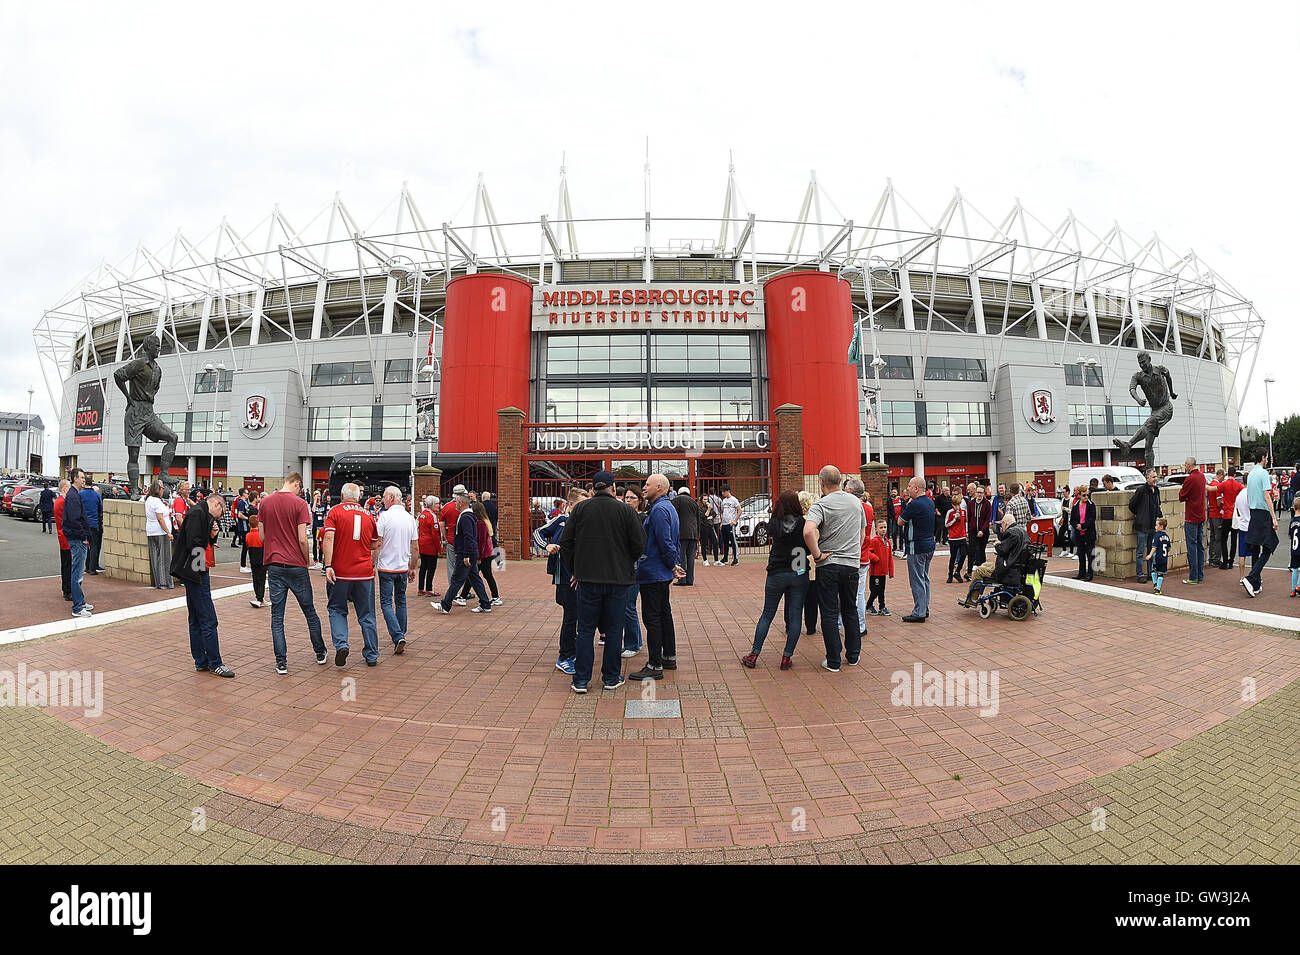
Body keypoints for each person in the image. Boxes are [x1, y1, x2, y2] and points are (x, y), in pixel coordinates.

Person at [558, 470, 645, 693]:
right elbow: (639, 544)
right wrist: (625, 563)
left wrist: (576, 569)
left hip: (587, 579)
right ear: (613, 488)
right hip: (618, 580)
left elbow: (566, 543)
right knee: (615, 630)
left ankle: (580, 680)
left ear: (593, 489)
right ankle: (610, 677)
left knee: (585, 630)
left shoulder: (580, 510)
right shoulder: (625, 511)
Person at [259, 471, 328, 674]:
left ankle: (281, 662)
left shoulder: (266, 502)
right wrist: (306, 560)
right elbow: (302, 538)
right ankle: (320, 651)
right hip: (296, 565)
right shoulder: (299, 504)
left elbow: (262, 536)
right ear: (297, 484)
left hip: (274, 564)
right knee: (309, 611)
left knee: (277, 616)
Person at [803, 465, 867, 672]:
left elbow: (808, 531)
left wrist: (817, 555)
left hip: (828, 565)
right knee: (850, 609)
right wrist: (853, 552)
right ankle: (854, 654)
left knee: (829, 613)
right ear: (840, 481)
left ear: (821, 482)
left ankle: (833, 660)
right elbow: (863, 533)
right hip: (851, 564)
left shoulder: (820, 505)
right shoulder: (856, 503)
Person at [742, 490, 811, 669]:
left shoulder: (774, 523)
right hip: (798, 567)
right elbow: (808, 548)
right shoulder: (804, 523)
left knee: (767, 614)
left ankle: (754, 654)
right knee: (796, 617)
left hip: (777, 570)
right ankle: (786, 657)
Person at [170, 489, 233, 676]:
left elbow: (197, 542)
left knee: (197, 618)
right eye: (221, 512)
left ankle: (201, 660)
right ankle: (214, 662)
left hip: (192, 573)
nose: (220, 517)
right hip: (195, 573)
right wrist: (199, 573)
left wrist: (211, 536)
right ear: (217, 505)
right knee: (208, 618)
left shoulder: (199, 512)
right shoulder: (199, 513)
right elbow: (195, 544)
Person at [629, 474, 684, 681]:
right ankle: (668, 656)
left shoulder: (659, 510)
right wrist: (672, 565)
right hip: (659, 571)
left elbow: (665, 541)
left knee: (652, 617)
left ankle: (654, 664)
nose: (644, 488)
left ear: (659, 487)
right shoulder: (667, 507)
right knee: (663, 614)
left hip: (654, 571)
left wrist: (672, 565)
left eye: (647, 485)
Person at [321, 483, 382, 667]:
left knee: (337, 609)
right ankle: (371, 654)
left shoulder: (335, 512)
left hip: (341, 571)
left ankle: (342, 644)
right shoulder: (368, 514)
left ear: (341, 495)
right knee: (367, 614)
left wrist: (328, 565)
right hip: (364, 573)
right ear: (358, 497)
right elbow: (374, 543)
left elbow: (329, 537)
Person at [540, 488, 585, 676]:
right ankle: (565, 656)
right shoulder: (561, 521)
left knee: (579, 616)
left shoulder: (586, 522)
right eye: (583, 503)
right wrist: (547, 545)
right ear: (572, 504)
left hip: (582, 577)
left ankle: (574, 651)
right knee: (571, 616)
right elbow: (539, 533)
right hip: (565, 579)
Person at [375, 486, 420, 655]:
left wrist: (372, 563)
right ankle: (401, 633)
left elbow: (378, 543)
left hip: (386, 567)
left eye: (385, 497)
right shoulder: (410, 518)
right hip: (402, 567)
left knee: (386, 603)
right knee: (401, 601)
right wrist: (412, 567)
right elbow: (415, 547)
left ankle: (397, 635)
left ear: (392, 497)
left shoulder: (384, 517)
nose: (383, 501)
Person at [435, 491, 492, 614]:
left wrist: (466, 554)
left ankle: (445, 605)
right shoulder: (469, 516)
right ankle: (485, 604)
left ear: (460, 503)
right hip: (469, 553)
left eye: (456, 502)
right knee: (475, 579)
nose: (454, 504)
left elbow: (468, 537)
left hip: (465, 554)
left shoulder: (465, 517)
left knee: (456, 579)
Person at [960, 510, 1029, 608]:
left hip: (1008, 569)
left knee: (979, 571)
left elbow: (1002, 549)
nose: (1002, 527)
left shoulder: (1011, 533)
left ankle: (972, 599)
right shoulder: (1023, 531)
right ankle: (974, 597)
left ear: (1005, 523)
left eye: (1002, 525)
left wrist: (997, 544)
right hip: (1016, 565)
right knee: (985, 564)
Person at [1241, 449, 1279, 598]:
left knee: (1256, 547)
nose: (1268, 460)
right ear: (1263, 458)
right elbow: (1267, 496)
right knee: (1269, 546)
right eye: (1267, 458)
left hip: (1253, 513)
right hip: (1263, 514)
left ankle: (1255, 584)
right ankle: (1251, 578)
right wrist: (1274, 517)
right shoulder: (1263, 474)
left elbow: (1250, 495)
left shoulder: (1250, 475)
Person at [900, 476, 936, 622]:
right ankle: (924, 608)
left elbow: (900, 521)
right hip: (929, 545)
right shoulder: (929, 501)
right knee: (924, 578)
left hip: (917, 546)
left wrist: (908, 505)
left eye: (909, 486)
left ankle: (919, 612)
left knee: (917, 580)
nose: (907, 489)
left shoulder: (914, 505)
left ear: (916, 488)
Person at [458, 501, 502, 606]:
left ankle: (464, 596)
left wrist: (478, 557)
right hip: (487, 554)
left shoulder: (480, 523)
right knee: (479, 575)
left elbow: (481, 541)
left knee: (475, 575)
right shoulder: (485, 521)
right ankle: (495, 597)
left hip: (484, 554)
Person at [63, 469, 93, 618]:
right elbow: (75, 520)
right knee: (77, 573)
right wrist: (83, 536)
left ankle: (80, 601)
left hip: (77, 538)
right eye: (81, 477)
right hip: (77, 539)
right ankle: (77, 607)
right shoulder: (74, 497)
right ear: (75, 479)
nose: (83, 480)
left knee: (78, 572)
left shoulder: (74, 495)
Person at [1128, 469, 1163, 583]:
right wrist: (1140, 515)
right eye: (1153, 477)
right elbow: (1132, 505)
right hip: (1143, 526)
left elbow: (1157, 505)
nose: (1155, 479)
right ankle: (1140, 574)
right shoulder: (1141, 490)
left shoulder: (1156, 490)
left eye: (1156, 476)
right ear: (1147, 478)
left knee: (1151, 551)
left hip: (1153, 526)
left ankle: (1150, 572)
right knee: (1140, 551)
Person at [1178, 458, 1207, 585]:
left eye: (1185, 464)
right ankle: (1200, 574)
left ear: (1189, 465)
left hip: (1191, 516)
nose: (1185, 466)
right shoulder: (1202, 476)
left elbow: (1181, 496)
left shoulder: (1190, 479)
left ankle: (1193, 576)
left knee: (1192, 547)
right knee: (1200, 546)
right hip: (1201, 515)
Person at [144, 480, 175, 590]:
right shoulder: (156, 502)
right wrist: (168, 532)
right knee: (164, 557)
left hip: (151, 531)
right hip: (160, 532)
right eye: (162, 488)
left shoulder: (148, 500)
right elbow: (160, 518)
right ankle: (165, 583)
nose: (163, 490)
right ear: (158, 490)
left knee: (155, 556)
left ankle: (159, 582)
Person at [670, 486, 700, 586]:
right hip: (693, 534)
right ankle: (690, 580)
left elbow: (672, 515)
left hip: (681, 533)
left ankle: (682, 579)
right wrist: (697, 534)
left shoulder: (676, 500)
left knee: (681, 557)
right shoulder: (694, 502)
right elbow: (698, 519)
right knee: (690, 557)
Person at [1218, 468, 1245, 570]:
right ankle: (1231, 561)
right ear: (1234, 475)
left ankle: (1224, 561)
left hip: (1226, 515)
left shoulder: (1224, 484)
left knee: (1224, 539)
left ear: (1227, 474)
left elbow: (1215, 489)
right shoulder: (1239, 485)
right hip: (1235, 515)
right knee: (1234, 540)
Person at [865, 518, 893, 615]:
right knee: (875, 591)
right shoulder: (874, 541)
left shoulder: (887, 542)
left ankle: (882, 607)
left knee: (881, 591)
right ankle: (869, 605)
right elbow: (867, 551)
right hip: (875, 572)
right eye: (881, 527)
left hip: (883, 572)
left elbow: (890, 558)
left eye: (885, 527)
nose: (883, 529)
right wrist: (875, 558)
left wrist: (891, 571)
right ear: (876, 529)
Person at [439, 487, 464, 589]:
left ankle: (453, 589)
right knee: (464, 565)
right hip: (463, 540)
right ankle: (463, 590)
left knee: (451, 565)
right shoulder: (466, 506)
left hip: (451, 539)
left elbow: (441, 523)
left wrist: (445, 536)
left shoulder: (446, 507)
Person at [417, 495, 442, 596]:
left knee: (423, 566)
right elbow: (435, 534)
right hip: (430, 545)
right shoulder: (433, 516)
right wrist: (439, 548)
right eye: (437, 503)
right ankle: (429, 588)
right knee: (431, 567)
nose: (438, 506)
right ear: (431, 504)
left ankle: (420, 588)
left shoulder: (422, 514)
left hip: (422, 543)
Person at [964, 482, 991, 581]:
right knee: (971, 551)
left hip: (983, 531)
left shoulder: (987, 504)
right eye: (978, 492)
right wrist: (969, 529)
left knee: (981, 551)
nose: (979, 495)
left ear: (984, 493)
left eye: (981, 493)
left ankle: (983, 572)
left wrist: (982, 530)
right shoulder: (971, 503)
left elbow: (987, 519)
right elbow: (969, 516)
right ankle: (969, 572)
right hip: (973, 530)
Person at [1071, 484, 1097, 580]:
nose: (1086, 497)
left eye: (1087, 495)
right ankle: (1081, 573)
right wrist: (1077, 526)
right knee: (1081, 554)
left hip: (1089, 533)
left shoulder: (1091, 505)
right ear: (1079, 495)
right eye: (1084, 495)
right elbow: (1072, 520)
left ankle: (1090, 574)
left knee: (1090, 555)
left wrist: (1083, 526)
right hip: (1079, 534)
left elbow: (1092, 518)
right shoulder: (1075, 506)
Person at [53, 479, 71, 601]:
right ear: (64, 488)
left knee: (66, 564)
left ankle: (67, 588)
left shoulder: (59, 501)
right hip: (65, 538)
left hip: (63, 536)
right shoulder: (62, 502)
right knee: (67, 565)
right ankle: (67, 589)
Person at [246, 500, 266, 608]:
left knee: (255, 578)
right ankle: (260, 597)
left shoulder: (248, 535)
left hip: (253, 559)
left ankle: (258, 596)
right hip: (262, 559)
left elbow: (246, 548)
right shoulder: (261, 534)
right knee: (262, 578)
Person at [80, 480, 103, 575]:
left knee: (84, 546)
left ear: (85, 483)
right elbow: (100, 509)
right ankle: (92, 569)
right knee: (94, 546)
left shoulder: (80, 494)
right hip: (94, 524)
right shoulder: (96, 495)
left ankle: (86, 566)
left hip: (83, 524)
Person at [945, 486, 967, 583]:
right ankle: (950, 575)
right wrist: (954, 519)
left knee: (963, 554)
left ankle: (957, 572)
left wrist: (966, 533)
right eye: (955, 505)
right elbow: (946, 525)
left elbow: (965, 522)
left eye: (958, 505)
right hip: (953, 538)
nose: (957, 507)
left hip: (962, 537)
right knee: (953, 557)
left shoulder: (963, 512)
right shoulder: (950, 512)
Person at [1145, 517, 1172, 595]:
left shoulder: (1156, 536)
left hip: (1157, 558)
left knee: (1153, 570)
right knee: (1161, 574)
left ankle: (1155, 584)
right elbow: (1169, 548)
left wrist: (1150, 555)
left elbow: (1154, 547)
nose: (1155, 527)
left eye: (1156, 525)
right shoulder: (1167, 536)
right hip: (1164, 558)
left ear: (1161, 527)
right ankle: (1158, 589)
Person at [1206, 469, 1225, 570]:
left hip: (1211, 513)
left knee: (1213, 536)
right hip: (1217, 513)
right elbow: (1219, 502)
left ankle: (1211, 558)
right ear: (1221, 475)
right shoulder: (1217, 486)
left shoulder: (1211, 484)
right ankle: (1216, 559)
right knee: (1218, 537)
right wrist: (1224, 503)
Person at [718, 486, 741, 565]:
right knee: (725, 542)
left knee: (733, 541)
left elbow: (739, 510)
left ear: (728, 491)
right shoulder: (724, 500)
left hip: (731, 523)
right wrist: (721, 523)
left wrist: (735, 521)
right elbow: (723, 512)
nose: (723, 493)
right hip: (724, 523)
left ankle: (736, 559)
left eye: (724, 491)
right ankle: (725, 558)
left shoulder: (734, 500)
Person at [700, 490, 721, 565]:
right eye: (704, 499)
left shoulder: (708, 506)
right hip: (703, 527)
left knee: (715, 542)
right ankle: (705, 560)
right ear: (701, 500)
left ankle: (716, 560)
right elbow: (703, 516)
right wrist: (708, 511)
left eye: (707, 499)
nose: (706, 501)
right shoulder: (700, 508)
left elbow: (714, 513)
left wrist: (711, 516)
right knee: (704, 543)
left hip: (710, 526)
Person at [1289, 498, 1300, 597]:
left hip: (1294, 549)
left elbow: (1290, 536)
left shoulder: (1292, 521)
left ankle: (1292, 590)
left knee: (1294, 569)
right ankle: (1299, 585)